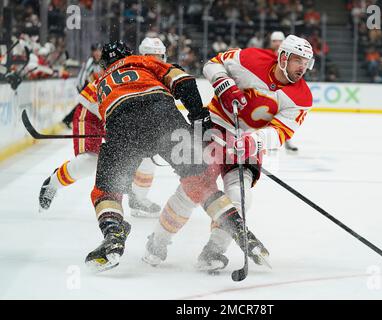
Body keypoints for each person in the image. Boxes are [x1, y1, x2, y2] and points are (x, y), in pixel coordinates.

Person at [86, 40, 267, 272]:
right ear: (129, 54)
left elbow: (108, 117)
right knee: (200, 182)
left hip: (123, 128)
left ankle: (113, 235)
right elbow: (184, 81)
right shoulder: (143, 61)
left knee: (106, 191)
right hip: (164, 119)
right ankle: (240, 231)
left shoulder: (100, 82)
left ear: (105, 63)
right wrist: (198, 114)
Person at [145, 35, 313, 272]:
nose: (303, 67)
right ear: (283, 57)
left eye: (306, 62)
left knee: (240, 195)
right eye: (298, 60)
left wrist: (254, 141)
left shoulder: (302, 97)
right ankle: (158, 242)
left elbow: (281, 132)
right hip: (215, 124)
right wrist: (224, 84)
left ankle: (212, 251)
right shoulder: (251, 58)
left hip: (248, 141)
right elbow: (212, 64)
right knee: (194, 187)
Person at [39, 40, 164, 218]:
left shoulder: (152, 73)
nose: (155, 59)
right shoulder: (136, 69)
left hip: (115, 115)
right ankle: (53, 183)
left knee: (148, 156)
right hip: (91, 111)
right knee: (89, 162)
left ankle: (138, 199)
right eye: (151, 56)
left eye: (159, 56)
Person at [268, 31, 298, 152]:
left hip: (284, 91)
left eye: (279, 41)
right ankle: (271, 141)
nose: (277, 43)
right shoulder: (268, 55)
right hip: (271, 90)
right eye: (275, 41)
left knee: (286, 117)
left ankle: (287, 141)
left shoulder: (289, 57)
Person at [61, 43, 103, 129]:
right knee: (84, 105)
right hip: (89, 88)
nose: (97, 53)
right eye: (95, 51)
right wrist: (81, 90)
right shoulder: (90, 62)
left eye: (99, 51)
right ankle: (68, 120)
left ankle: (67, 120)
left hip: (98, 88)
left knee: (85, 106)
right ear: (92, 52)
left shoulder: (103, 62)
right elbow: (83, 76)